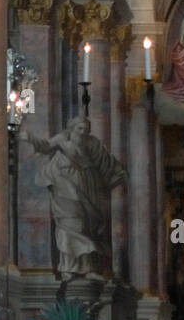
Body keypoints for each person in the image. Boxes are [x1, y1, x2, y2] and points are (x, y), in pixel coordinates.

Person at [25, 115, 125, 280]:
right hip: (64, 183)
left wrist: (115, 172)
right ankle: (67, 267)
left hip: (87, 184)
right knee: (70, 222)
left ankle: (88, 268)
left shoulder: (91, 142)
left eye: (86, 128)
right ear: (71, 128)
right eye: (80, 128)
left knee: (85, 225)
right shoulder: (62, 138)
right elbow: (45, 146)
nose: (83, 131)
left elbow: (103, 161)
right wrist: (31, 138)